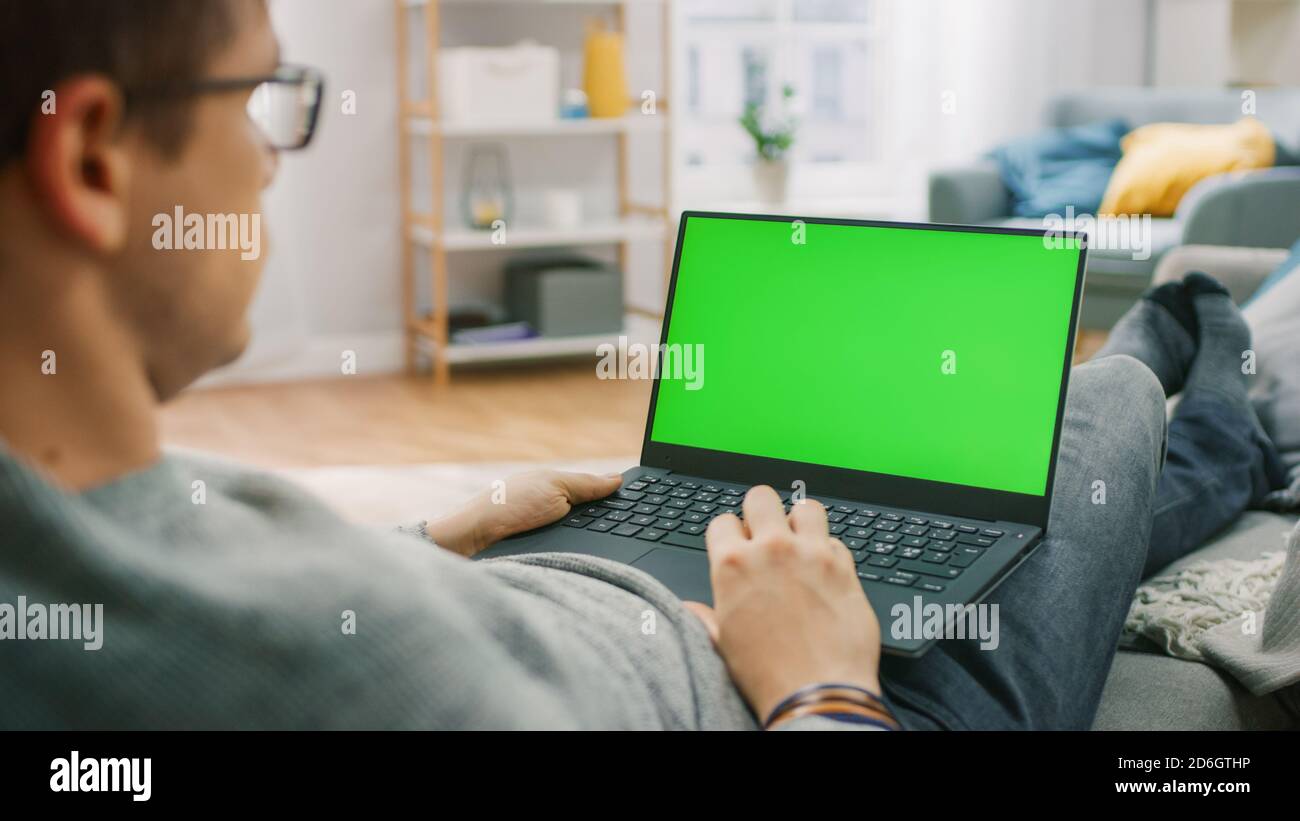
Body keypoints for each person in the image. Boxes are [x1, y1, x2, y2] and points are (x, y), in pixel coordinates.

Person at [0, 0, 1284, 730]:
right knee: (1096, 404)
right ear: (98, 162)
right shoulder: (353, 678)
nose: (272, 155)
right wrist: (821, 680)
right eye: (261, 95)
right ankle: (1201, 350)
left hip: (595, 582)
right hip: (837, 677)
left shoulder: (77, 542)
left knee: (960, 506)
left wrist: (427, 535)